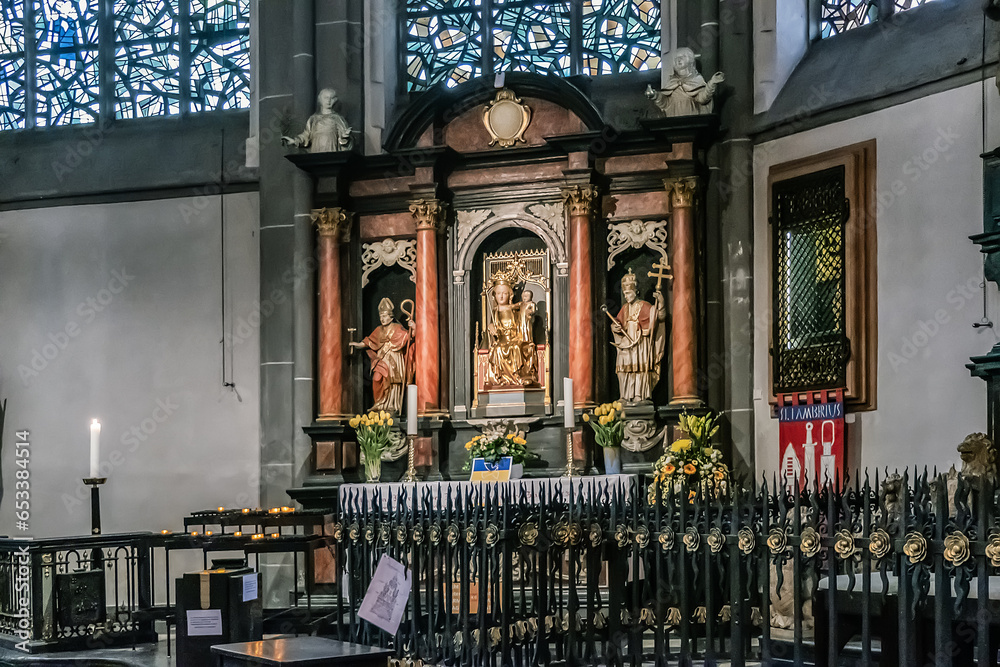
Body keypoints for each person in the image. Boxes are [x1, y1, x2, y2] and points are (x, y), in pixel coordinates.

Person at [610, 269, 667, 403]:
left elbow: (660, 316)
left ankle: (639, 395)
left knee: (639, 369)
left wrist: (661, 303)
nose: (627, 296)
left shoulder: (644, 305)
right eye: (625, 294)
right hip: (626, 344)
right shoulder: (624, 308)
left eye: (629, 293)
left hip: (640, 344)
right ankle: (624, 396)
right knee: (624, 369)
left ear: (636, 292)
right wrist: (615, 328)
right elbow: (617, 323)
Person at [350, 298, 413, 413]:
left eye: (384, 316)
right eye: (380, 317)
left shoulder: (397, 328)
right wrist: (357, 344)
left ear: (391, 316)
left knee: (393, 382)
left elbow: (408, 337)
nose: (382, 319)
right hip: (381, 360)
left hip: (394, 358)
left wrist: (413, 327)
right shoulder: (379, 330)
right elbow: (369, 341)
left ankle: (391, 406)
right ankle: (379, 404)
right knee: (377, 378)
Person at [645, 47, 724, 117]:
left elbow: (702, 99)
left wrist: (712, 83)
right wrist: (655, 95)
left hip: (692, 118)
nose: (678, 60)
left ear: (690, 60)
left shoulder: (696, 80)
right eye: (676, 58)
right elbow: (666, 104)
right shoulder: (672, 82)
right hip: (673, 118)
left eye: (682, 57)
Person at [282, 88, 354, 153]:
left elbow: (345, 141)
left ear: (335, 100)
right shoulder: (313, 119)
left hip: (331, 148)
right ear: (320, 99)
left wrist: (345, 137)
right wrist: (295, 141)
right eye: (326, 98)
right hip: (316, 149)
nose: (328, 101)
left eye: (331, 98)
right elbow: (306, 135)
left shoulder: (338, 119)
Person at [485, 281, 527, 387]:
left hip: (514, 338)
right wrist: (491, 327)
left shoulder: (514, 309)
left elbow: (521, 322)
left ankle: (516, 376)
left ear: (510, 295)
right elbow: (491, 324)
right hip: (501, 339)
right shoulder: (495, 311)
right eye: (499, 293)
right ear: (495, 296)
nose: (502, 296)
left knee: (516, 347)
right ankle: (501, 378)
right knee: (498, 350)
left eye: (504, 293)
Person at [517, 289, 538, 383]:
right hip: (520, 323)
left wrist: (530, 313)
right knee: (520, 332)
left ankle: (528, 340)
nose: (525, 297)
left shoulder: (531, 304)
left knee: (527, 332)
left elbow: (533, 311)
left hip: (527, 322)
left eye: (527, 295)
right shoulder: (521, 304)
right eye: (524, 295)